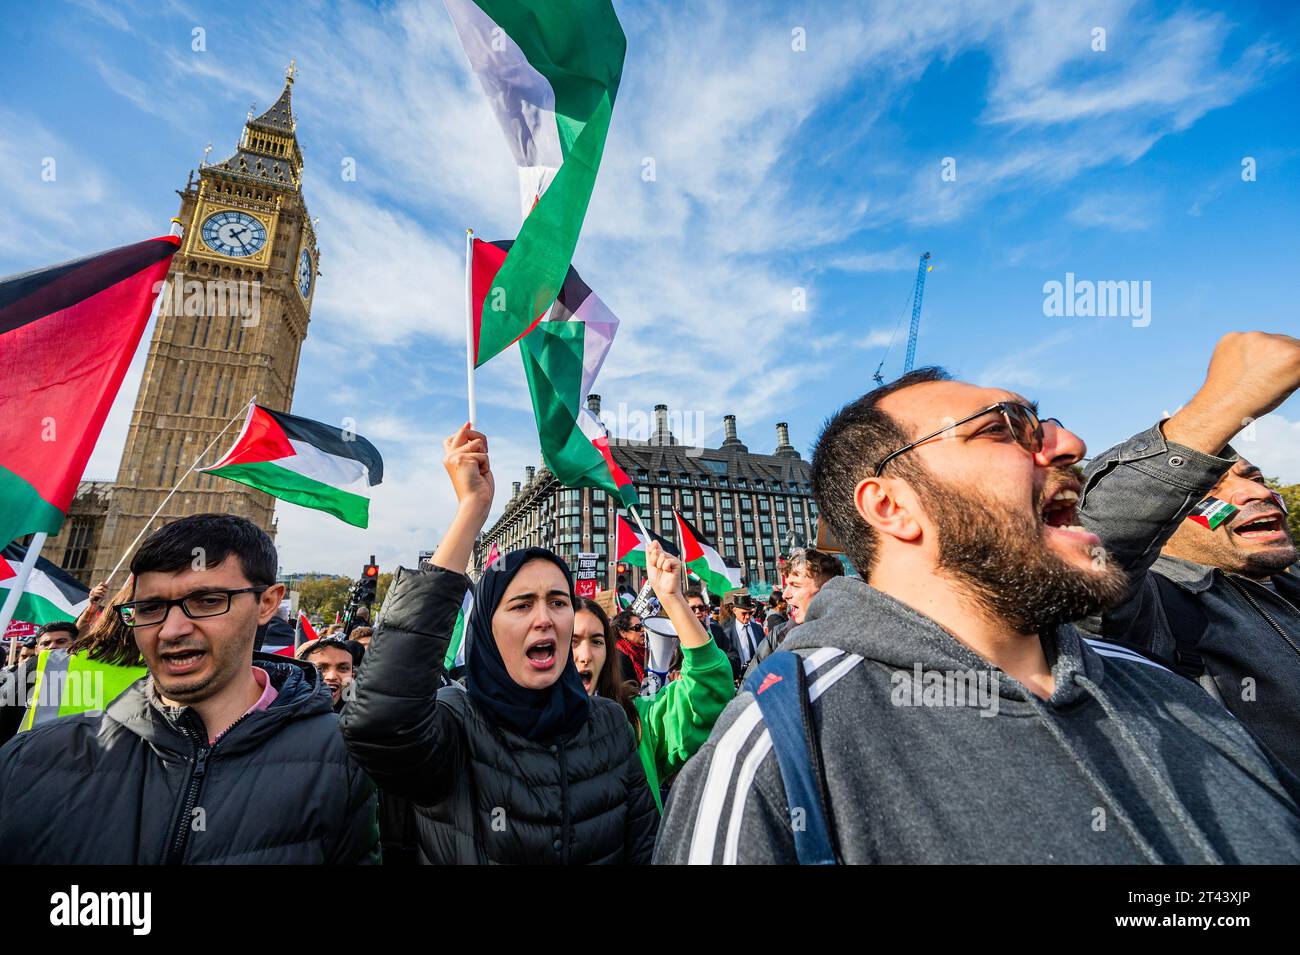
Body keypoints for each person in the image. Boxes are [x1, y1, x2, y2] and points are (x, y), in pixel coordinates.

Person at [656, 365, 1300, 864]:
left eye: (1046, 425)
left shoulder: (1166, 690)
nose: (1070, 444)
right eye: (1001, 428)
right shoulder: (781, 742)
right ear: (890, 507)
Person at [340, 424, 658, 864]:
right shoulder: (454, 722)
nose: (545, 618)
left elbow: (645, 849)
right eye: (522, 605)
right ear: (487, 629)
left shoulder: (608, 725)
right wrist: (471, 511)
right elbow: (377, 721)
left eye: (558, 601)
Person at [0, 513, 379, 864]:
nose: (172, 630)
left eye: (207, 601)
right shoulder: (28, 761)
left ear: (267, 603)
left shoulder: (342, 761)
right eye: (149, 608)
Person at [1078, 330, 1300, 777]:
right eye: (1210, 490)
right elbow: (1104, 537)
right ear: (1163, 515)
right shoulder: (1152, 610)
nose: (1255, 493)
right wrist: (1225, 403)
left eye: (1256, 477)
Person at [571, 544, 734, 811]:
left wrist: (672, 599)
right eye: (572, 641)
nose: (585, 655)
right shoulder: (520, 732)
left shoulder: (636, 721)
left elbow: (707, 691)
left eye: (597, 641)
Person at [0, 581, 145, 747]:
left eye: (61, 642)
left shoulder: (49, 664)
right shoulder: (167, 671)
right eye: (46, 644)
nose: (53, 648)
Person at [742, 547, 844, 682]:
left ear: (827, 589)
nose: (785, 595)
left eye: (795, 585)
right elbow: (749, 687)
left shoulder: (853, 636)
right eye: (787, 586)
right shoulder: (776, 637)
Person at [686, 588, 740, 678]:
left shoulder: (717, 631)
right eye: (692, 609)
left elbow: (734, 659)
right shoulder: (677, 636)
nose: (698, 611)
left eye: (701, 607)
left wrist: (716, 667)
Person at [299, 636, 362, 711]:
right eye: (320, 668)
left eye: (343, 668)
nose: (332, 677)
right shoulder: (286, 715)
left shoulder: (364, 716)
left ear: (352, 677)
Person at [724, 595, 763, 671]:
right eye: (744, 613)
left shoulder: (758, 629)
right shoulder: (727, 633)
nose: (748, 616)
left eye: (750, 613)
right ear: (734, 610)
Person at [611, 609, 647, 686]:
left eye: (643, 625)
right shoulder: (620, 656)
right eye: (637, 627)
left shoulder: (643, 650)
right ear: (623, 633)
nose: (643, 630)